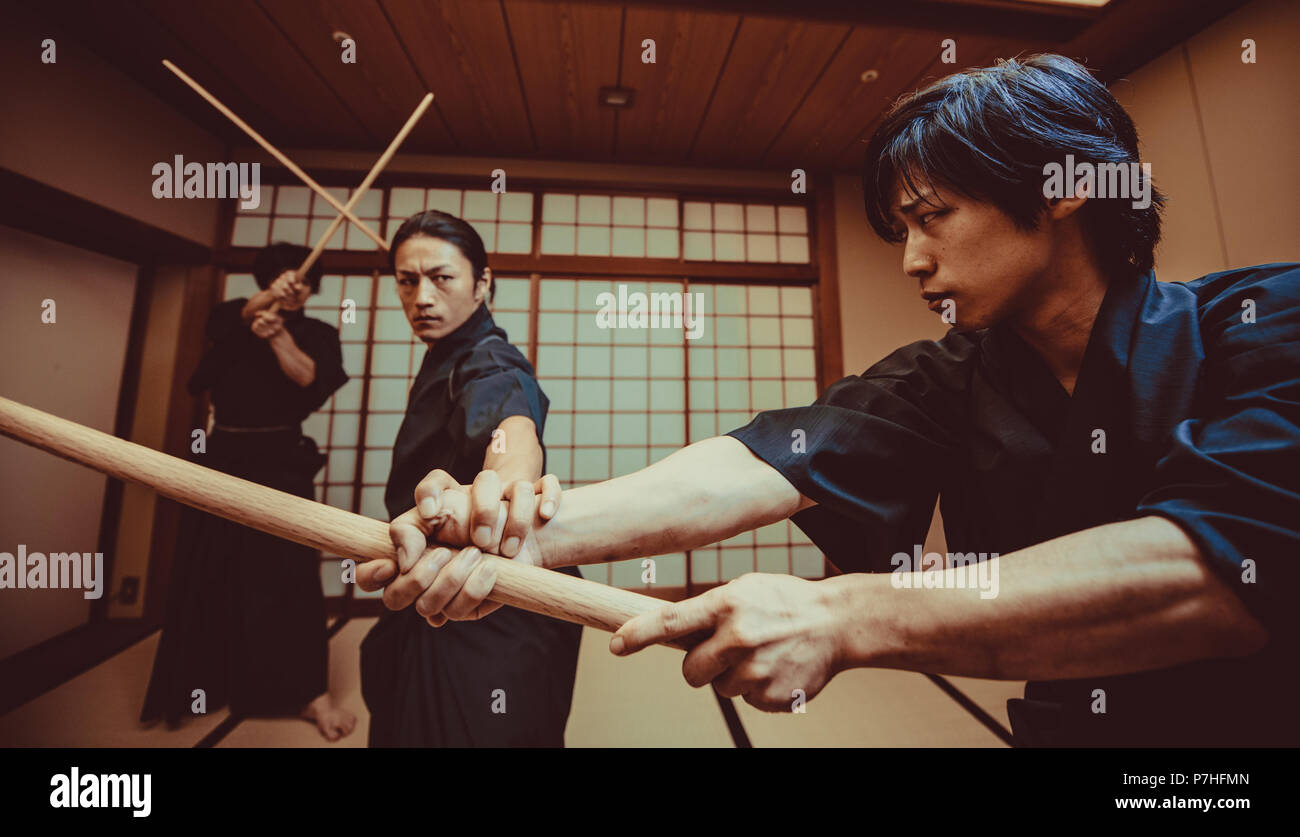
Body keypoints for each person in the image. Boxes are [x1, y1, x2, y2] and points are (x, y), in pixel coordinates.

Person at [363, 53, 1300, 746]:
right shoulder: (954, 374)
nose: (912, 258)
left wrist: (851, 615)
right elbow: (769, 458)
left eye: (933, 216)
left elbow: (1223, 571)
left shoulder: (1264, 323)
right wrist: (529, 531)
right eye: (901, 228)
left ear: (1060, 186)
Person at [355, 210, 582, 747]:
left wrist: (503, 488)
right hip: (439, 580)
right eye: (407, 281)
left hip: (490, 595)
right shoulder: (448, 350)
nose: (422, 298)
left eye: (441, 278)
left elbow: (512, 427)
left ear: (482, 284)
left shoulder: (489, 361)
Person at [141, 242, 355, 740]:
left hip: (282, 462)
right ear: (266, 281)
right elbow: (217, 337)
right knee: (209, 567)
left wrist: (279, 335)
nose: (294, 285)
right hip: (221, 460)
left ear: (313, 286)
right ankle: (202, 683)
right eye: (283, 278)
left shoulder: (320, 334)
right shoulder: (231, 319)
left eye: (302, 279)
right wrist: (261, 305)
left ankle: (310, 695)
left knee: (290, 573)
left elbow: (310, 383)